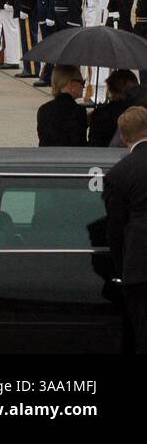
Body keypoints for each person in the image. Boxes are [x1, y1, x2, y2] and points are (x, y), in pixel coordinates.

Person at [103, 105, 147, 353]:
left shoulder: (119, 174)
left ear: (123, 137)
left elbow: (115, 231)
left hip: (140, 269)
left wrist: (122, 269)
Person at [84, 0, 112, 103]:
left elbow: (103, 5)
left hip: (97, 24)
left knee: (98, 60)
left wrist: (101, 25)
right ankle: (92, 91)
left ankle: (99, 95)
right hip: (91, 22)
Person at [37, 65, 89, 146]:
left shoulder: (43, 109)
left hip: (45, 156)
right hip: (68, 157)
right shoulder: (77, 110)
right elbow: (80, 146)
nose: (83, 86)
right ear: (71, 85)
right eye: (82, 82)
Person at [90, 70, 140, 146]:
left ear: (110, 88)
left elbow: (94, 143)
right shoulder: (139, 112)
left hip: (103, 155)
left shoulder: (100, 113)